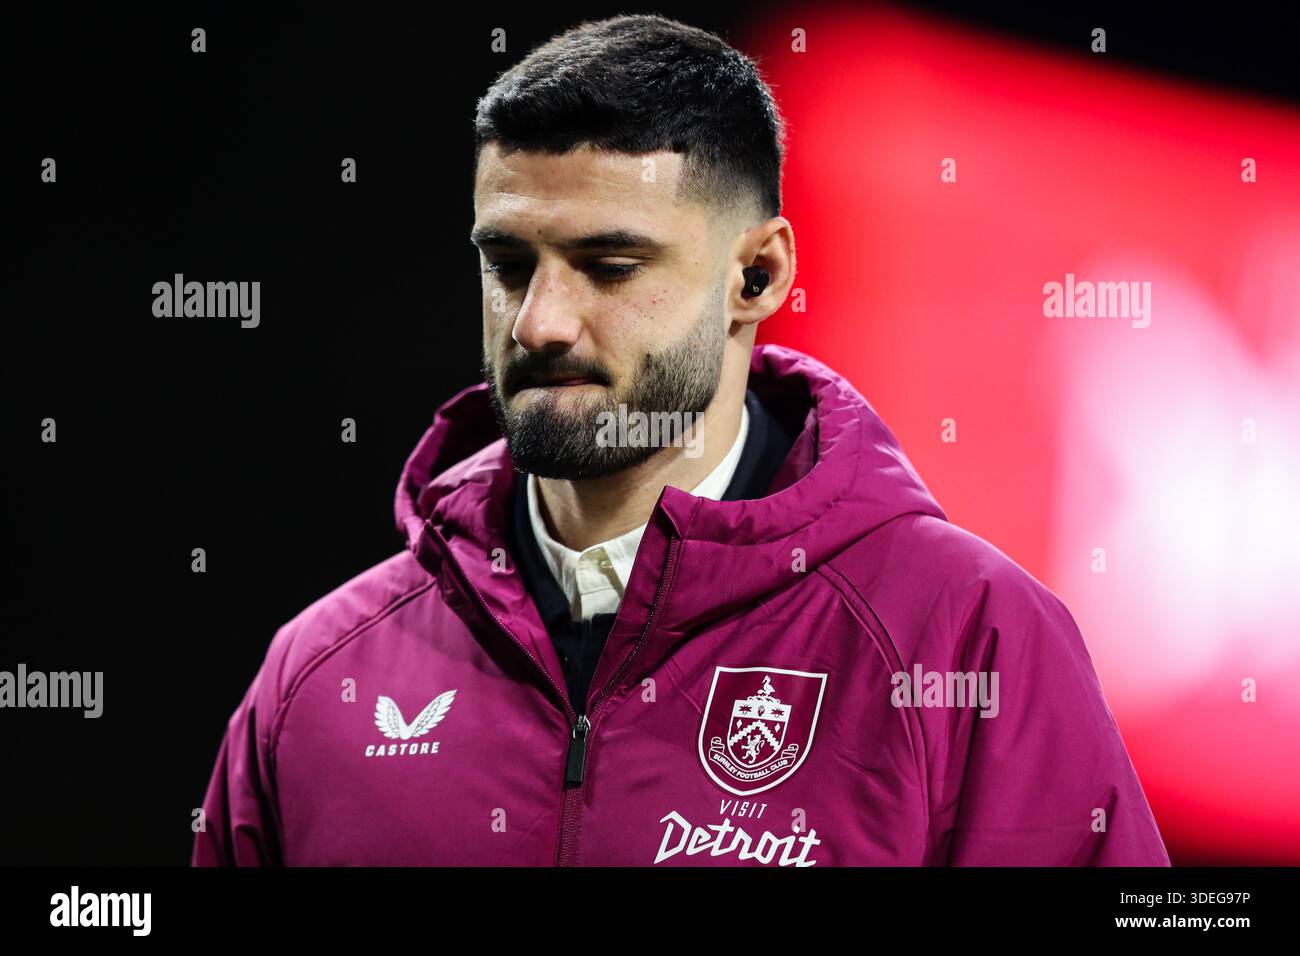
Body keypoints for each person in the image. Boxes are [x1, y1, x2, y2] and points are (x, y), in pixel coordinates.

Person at [192, 13, 1169, 866]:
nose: (539, 322)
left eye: (608, 265)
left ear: (757, 275)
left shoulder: (969, 641)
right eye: (507, 263)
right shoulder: (319, 675)